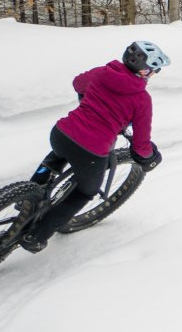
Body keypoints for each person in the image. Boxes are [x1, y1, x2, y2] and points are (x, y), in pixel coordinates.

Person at [22, 40, 169, 251]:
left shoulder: (102, 72)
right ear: (145, 72)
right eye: (154, 71)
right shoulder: (141, 99)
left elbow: (77, 83)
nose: (154, 75)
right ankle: (36, 236)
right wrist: (150, 157)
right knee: (84, 192)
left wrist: (87, 96)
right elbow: (140, 145)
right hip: (91, 151)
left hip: (61, 132)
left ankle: (30, 194)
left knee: (59, 152)